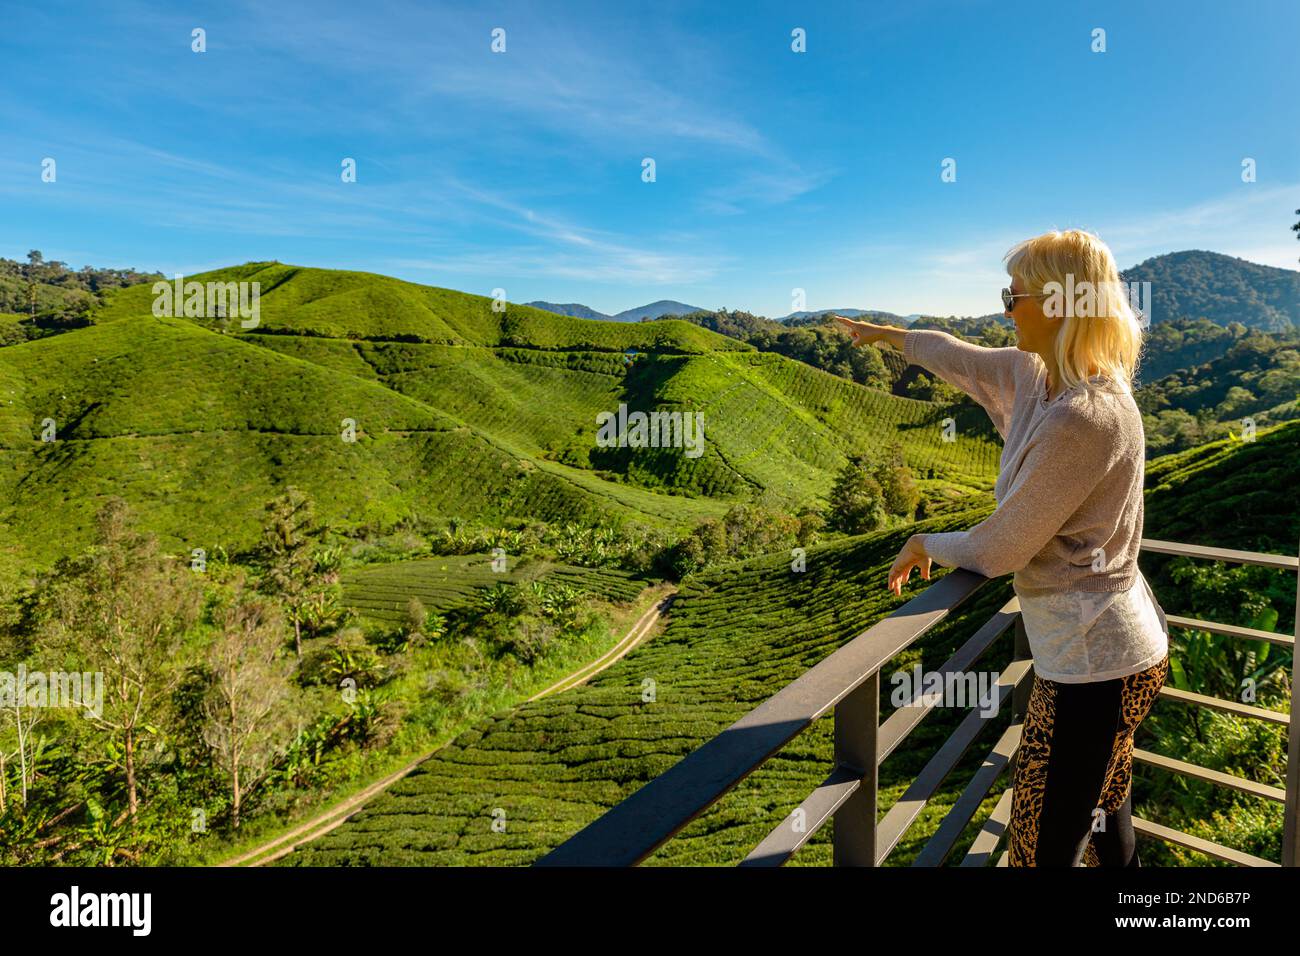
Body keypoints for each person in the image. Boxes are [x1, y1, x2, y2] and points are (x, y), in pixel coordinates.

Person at [833, 228, 1169, 867]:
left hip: (1095, 664)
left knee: (1042, 842)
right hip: (1097, 653)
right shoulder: (1035, 375)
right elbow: (956, 354)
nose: (1004, 309)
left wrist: (926, 540)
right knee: (1103, 823)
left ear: (1059, 304)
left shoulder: (1085, 415)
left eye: (1012, 297)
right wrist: (887, 338)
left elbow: (1000, 547)